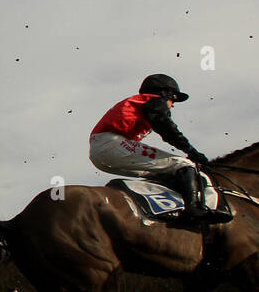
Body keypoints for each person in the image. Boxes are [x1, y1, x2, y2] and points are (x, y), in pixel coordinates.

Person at [89, 74, 213, 220]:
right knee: (184, 164)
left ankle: (161, 209)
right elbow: (167, 129)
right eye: (173, 100)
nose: (172, 105)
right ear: (165, 93)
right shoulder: (155, 101)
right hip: (112, 144)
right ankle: (193, 208)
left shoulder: (139, 103)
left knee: (164, 174)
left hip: (99, 154)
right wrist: (191, 151)